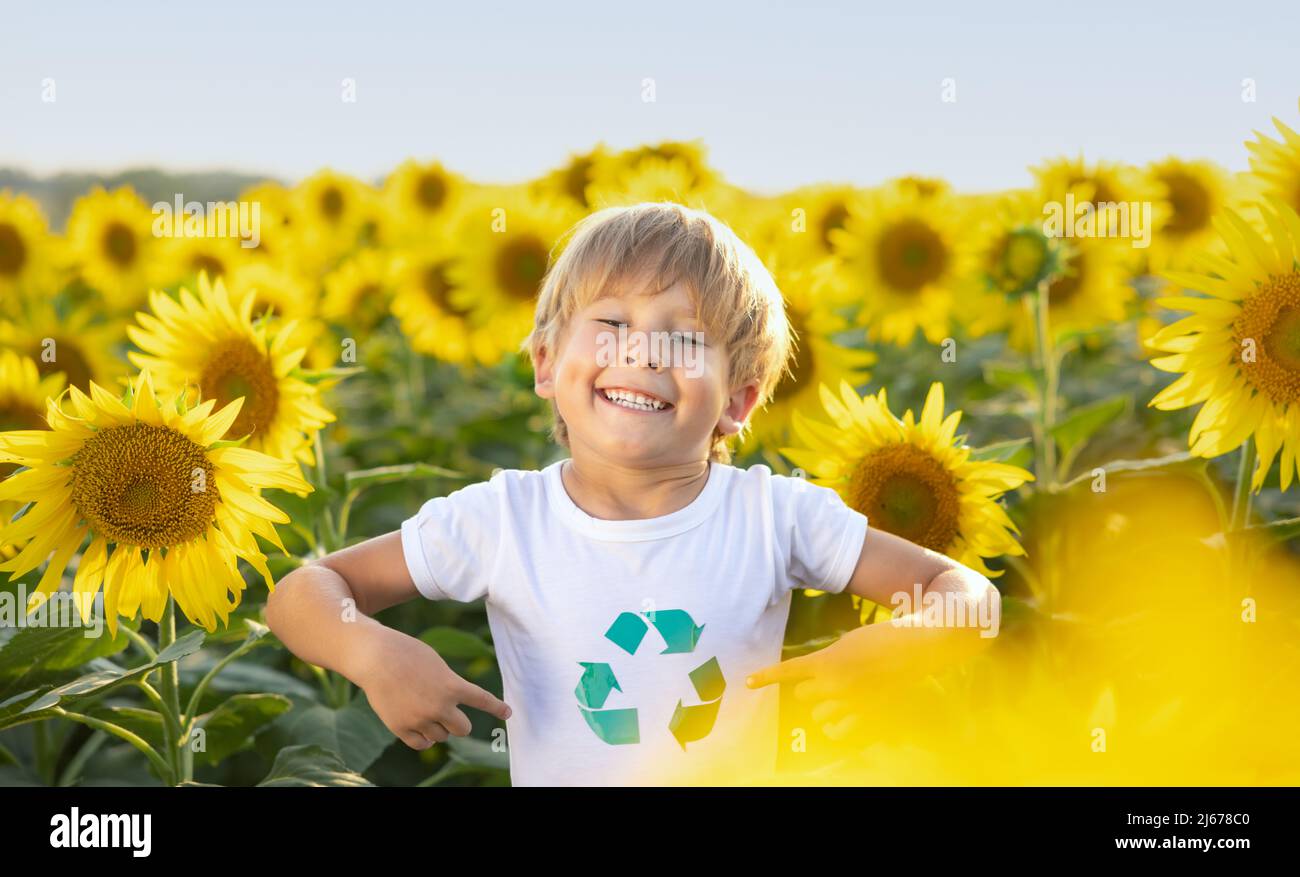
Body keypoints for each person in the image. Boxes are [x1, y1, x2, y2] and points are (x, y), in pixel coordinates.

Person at [265, 201, 1001, 786]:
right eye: (612, 322)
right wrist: (370, 653)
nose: (643, 351)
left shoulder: (773, 516)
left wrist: (900, 643)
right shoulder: (504, 519)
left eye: (684, 339)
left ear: (738, 402)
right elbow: (304, 591)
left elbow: (967, 595)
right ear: (548, 362)